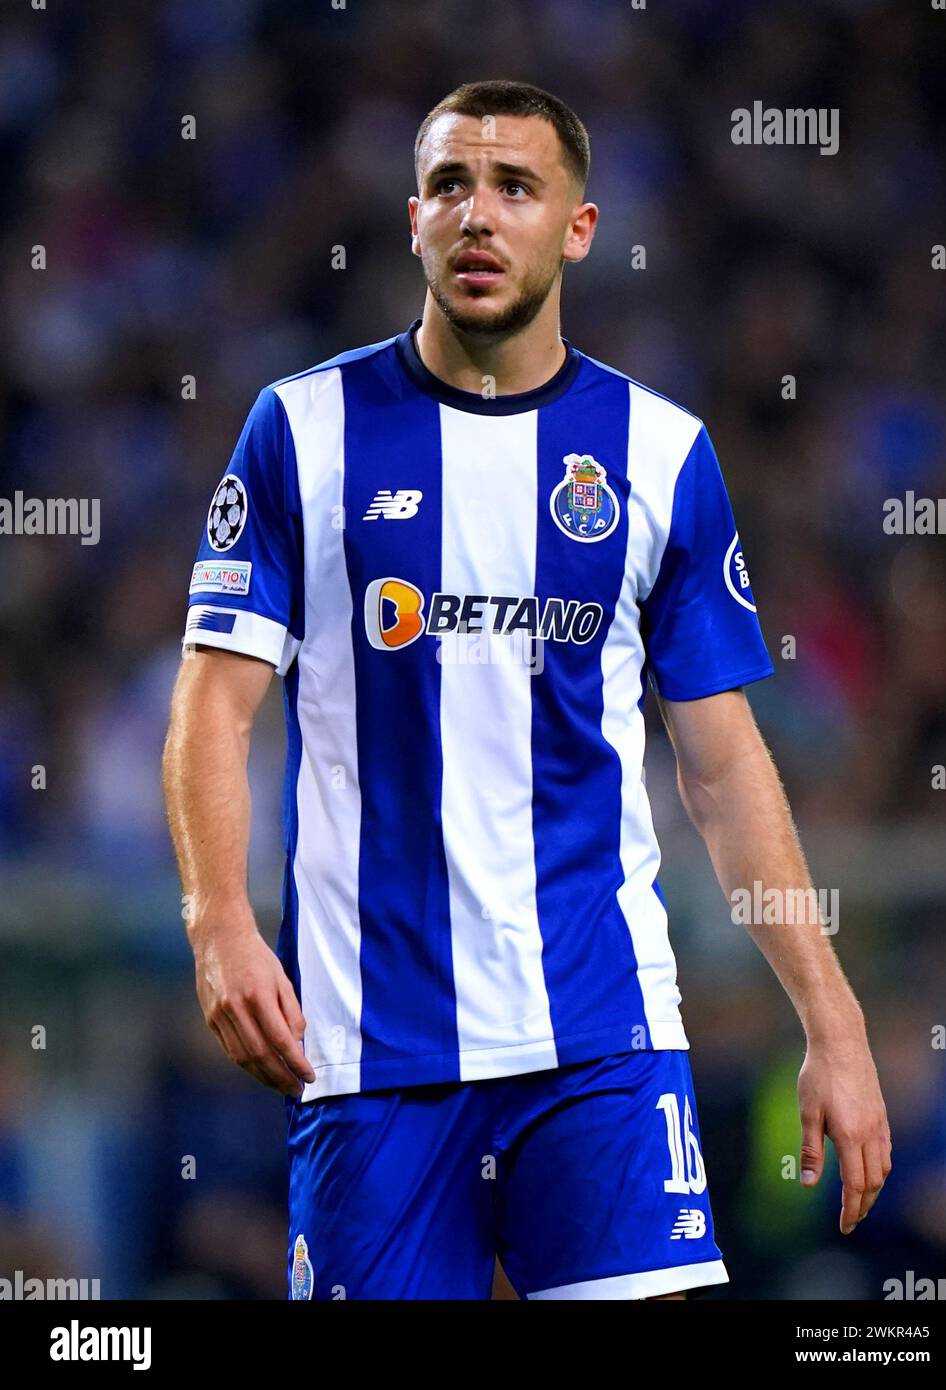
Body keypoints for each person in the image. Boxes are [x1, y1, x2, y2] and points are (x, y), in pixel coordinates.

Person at [162, 80, 891, 1301]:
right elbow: (213, 705)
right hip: (372, 1051)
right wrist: (218, 922)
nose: (477, 216)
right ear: (410, 220)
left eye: (514, 187)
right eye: (450, 185)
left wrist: (833, 1017)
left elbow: (720, 763)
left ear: (579, 225)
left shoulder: (658, 455)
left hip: (600, 1042)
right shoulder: (302, 431)